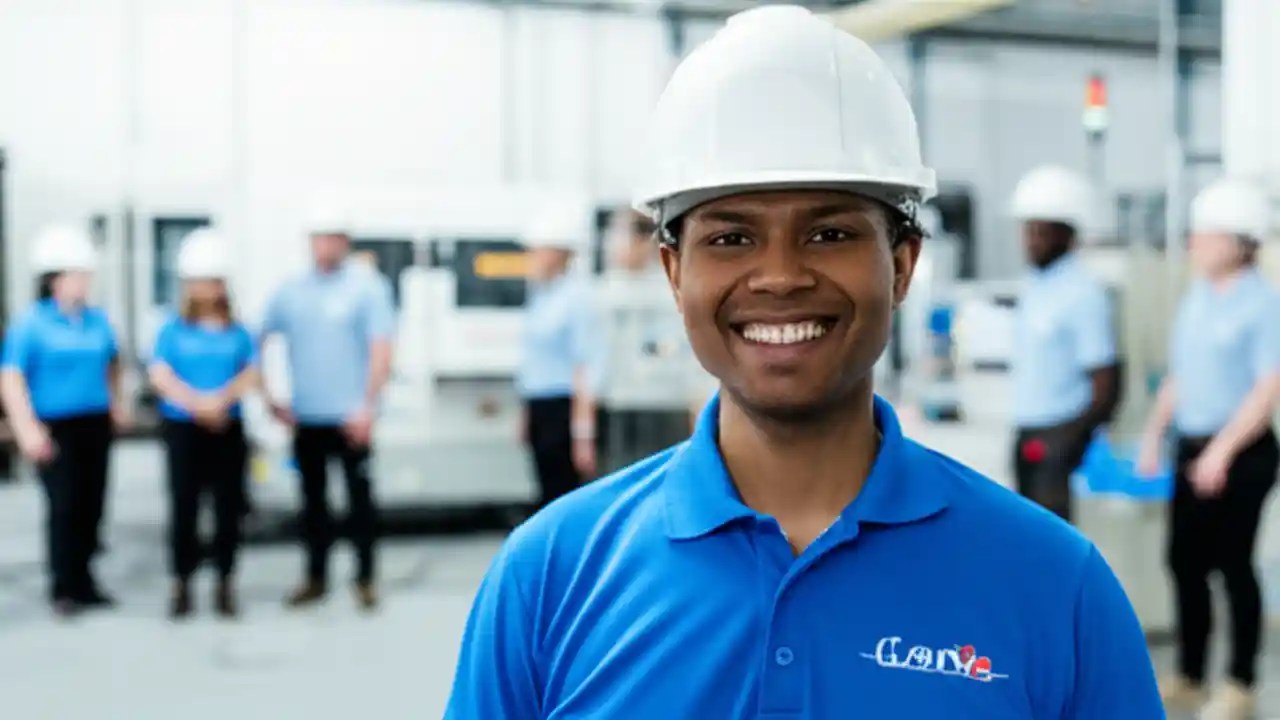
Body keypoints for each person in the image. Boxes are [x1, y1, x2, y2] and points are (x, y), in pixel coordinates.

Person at [445, 7, 1161, 717]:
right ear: (673, 272)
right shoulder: (551, 577)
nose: (780, 276)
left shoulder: (1053, 587)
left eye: (828, 232)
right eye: (730, 239)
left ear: (903, 264)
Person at [1137, 177, 1280, 719]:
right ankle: (1192, 676)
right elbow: (1181, 375)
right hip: (1191, 447)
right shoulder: (1197, 298)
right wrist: (1155, 434)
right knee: (1184, 562)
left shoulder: (1263, 303)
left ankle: (1240, 684)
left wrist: (1221, 452)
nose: (1194, 243)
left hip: (1243, 453)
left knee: (1233, 565)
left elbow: (1268, 388)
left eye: (1205, 234)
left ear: (1238, 242)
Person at [259, 210, 395, 611]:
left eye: (333, 237)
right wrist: (271, 398)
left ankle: (365, 579)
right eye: (319, 237)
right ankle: (315, 577)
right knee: (313, 504)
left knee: (360, 503)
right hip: (308, 417)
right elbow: (259, 337)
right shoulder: (292, 290)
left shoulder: (367, 288)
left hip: (351, 417)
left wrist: (368, 407)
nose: (326, 246)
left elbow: (380, 349)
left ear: (345, 241)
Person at [0, 224, 130, 616]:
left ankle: (87, 580)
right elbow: (11, 378)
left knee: (93, 504)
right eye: (77, 275)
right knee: (64, 506)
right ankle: (64, 586)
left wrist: (116, 403)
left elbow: (112, 363)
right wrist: (26, 429)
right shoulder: (31, 325)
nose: (84, 282)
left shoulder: (96, 321)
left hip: (94, 423)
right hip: (55, 427)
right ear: (54, 279)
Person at [148, 229, 258, 619]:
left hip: (227, 430)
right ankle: (182, 582)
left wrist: (221, 400)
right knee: (184, 508)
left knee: (228, 509)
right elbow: (160, 375)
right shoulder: (172, 330)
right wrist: (198, 404)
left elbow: (251, 372)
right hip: (184, 430)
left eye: (211, 281)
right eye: (197, 282)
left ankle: (225, 583)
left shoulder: (238, 331)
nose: (204, 289)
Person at [1009, 165, 1122, 522]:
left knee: (1052, 543)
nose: (1030, 240)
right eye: (1027, 230)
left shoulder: (1083, 293)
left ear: (1065, 233)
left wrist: (1070, 441)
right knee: (1026, 539)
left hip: (1057, 434)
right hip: (1028, 430)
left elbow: (1106, 381)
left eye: (1040, 231)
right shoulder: (1035, 286)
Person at [596, 207, 710, 471]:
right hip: (620, 403)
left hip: (667, 404)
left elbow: (687, 355)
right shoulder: (610, 287)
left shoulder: (668, 286)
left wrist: (697, 404)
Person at [517, 203, 605, 509]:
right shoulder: (540, 296)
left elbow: (587, 366)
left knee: (563, 498)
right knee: (544, 494)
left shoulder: (577, 298)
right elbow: (532, 361)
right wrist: (526, 414)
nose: (532, 258)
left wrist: (583, 435)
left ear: (559, 253)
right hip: (540, 406)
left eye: (538, 250)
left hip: (564, 408)